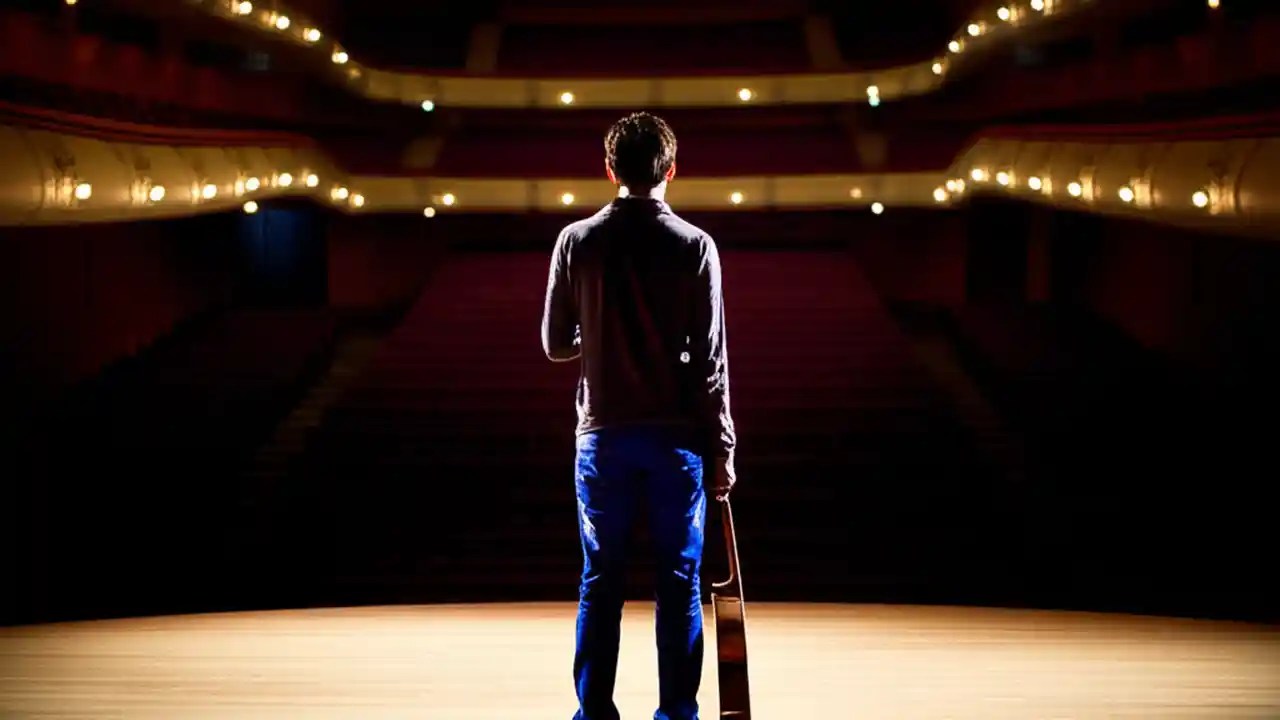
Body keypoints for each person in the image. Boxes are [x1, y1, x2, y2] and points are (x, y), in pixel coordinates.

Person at [541, 111, 737, 720]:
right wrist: (722, 447)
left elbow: (554, 342)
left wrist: (597, 339)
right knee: (678, 583)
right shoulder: (695, 246)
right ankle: (677, 712)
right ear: (672, 170)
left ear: (609, 169)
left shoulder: (577, 240)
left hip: (602, 436)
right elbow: (711, 361)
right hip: (676, 440)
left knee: (600, 580)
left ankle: (593, 711)